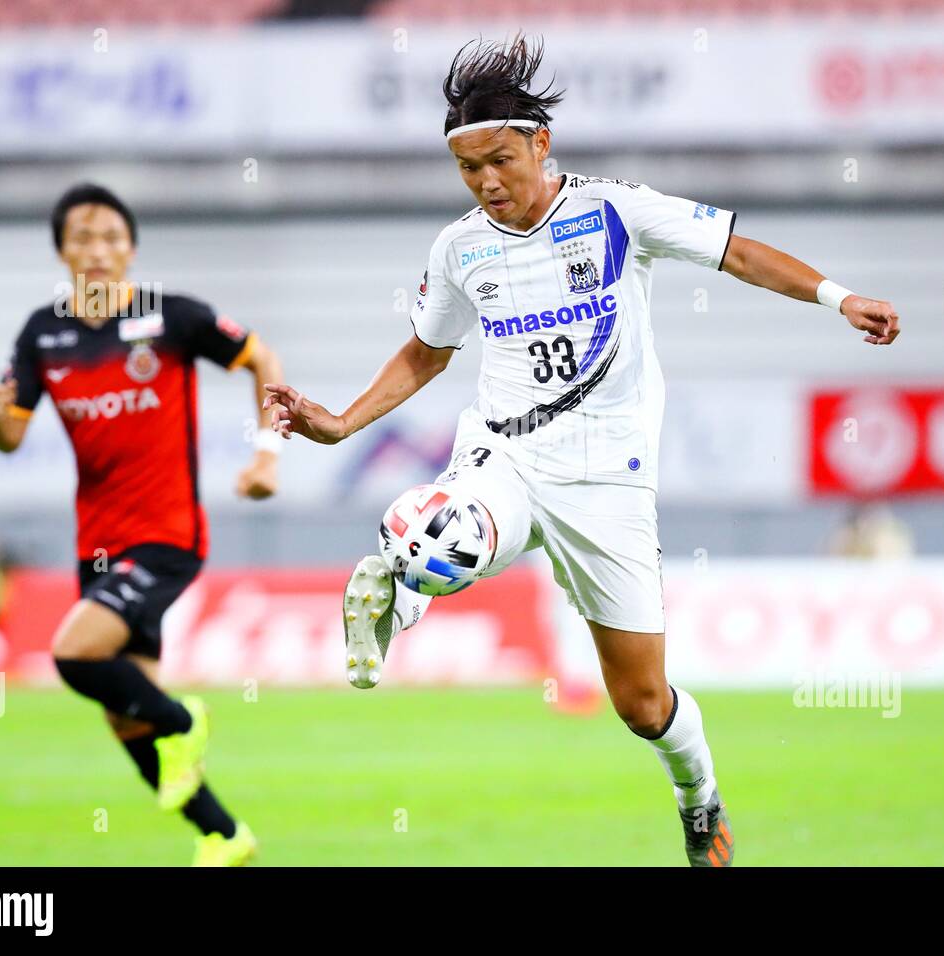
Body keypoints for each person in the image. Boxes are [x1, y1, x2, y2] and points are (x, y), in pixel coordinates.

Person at [263, 36, 900, 867]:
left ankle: (700, 800)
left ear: (540, 143)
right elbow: (428, 350)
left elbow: (736, 251)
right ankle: (402, 584)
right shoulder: (461, 247)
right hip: (506, 455)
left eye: (500, 160)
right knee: (437, 533)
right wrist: (343, 424)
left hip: (609, 479)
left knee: (641, 704)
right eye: (468, 170)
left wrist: (838, 297)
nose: (488, 183)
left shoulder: (614, 211)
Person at [0, 184, 285, 866]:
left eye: (111, 236)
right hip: (97, 543)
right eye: (82, 237)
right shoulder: (43, 333)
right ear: (62, 250)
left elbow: (262, 358)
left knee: (74, 654)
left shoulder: (171, 319)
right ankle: (223, 834)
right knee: (125, 715)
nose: (97, 250)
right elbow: (10, 436)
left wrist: (269, 452)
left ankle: (186, 719)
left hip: (168, 532)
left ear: (131, 249)